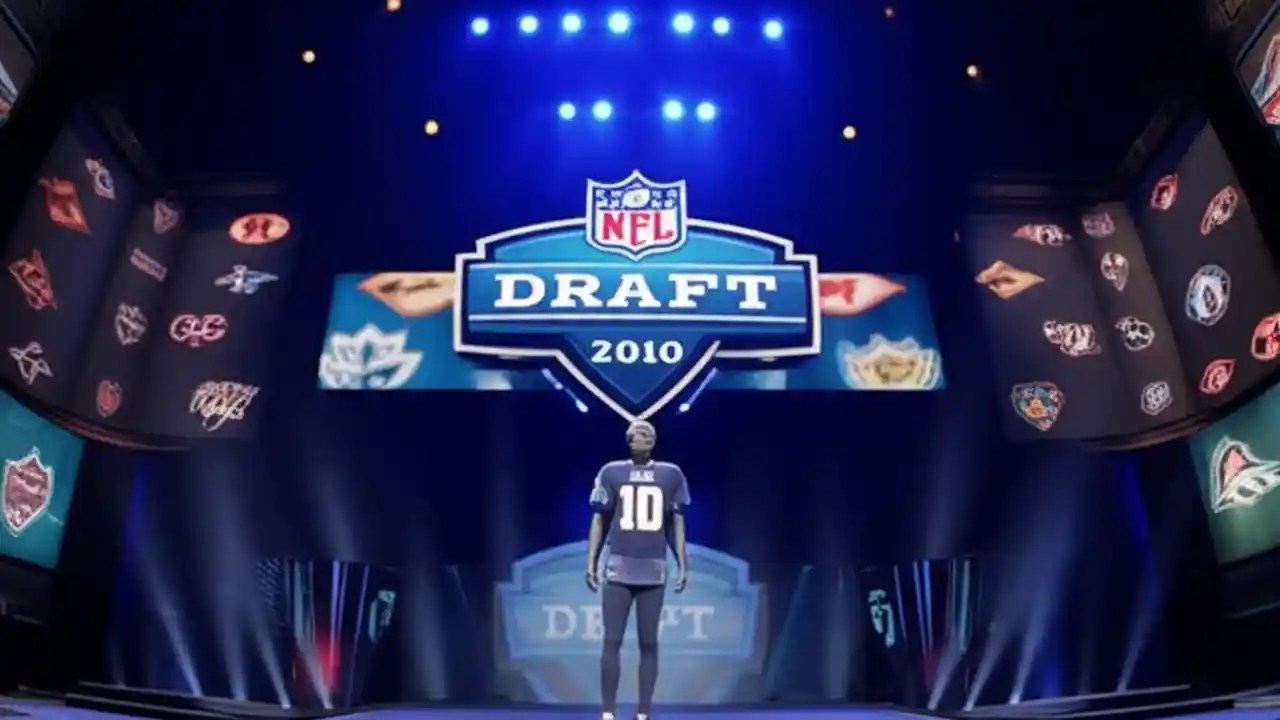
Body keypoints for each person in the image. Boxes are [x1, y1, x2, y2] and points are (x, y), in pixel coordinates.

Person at [585, 420, 689, 720]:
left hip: (653, 568)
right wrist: (590, 560)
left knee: (649, 641)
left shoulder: (670, 474)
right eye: (634, 434)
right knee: (612, 639)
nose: (639, 437)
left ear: (655, 440)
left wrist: (683, 561)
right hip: (619, 565)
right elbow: (599, 518)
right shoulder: (611, 472)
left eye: (646, 433)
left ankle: (643, 712)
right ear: (627, 440)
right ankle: (608, 711)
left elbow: (677, 521)